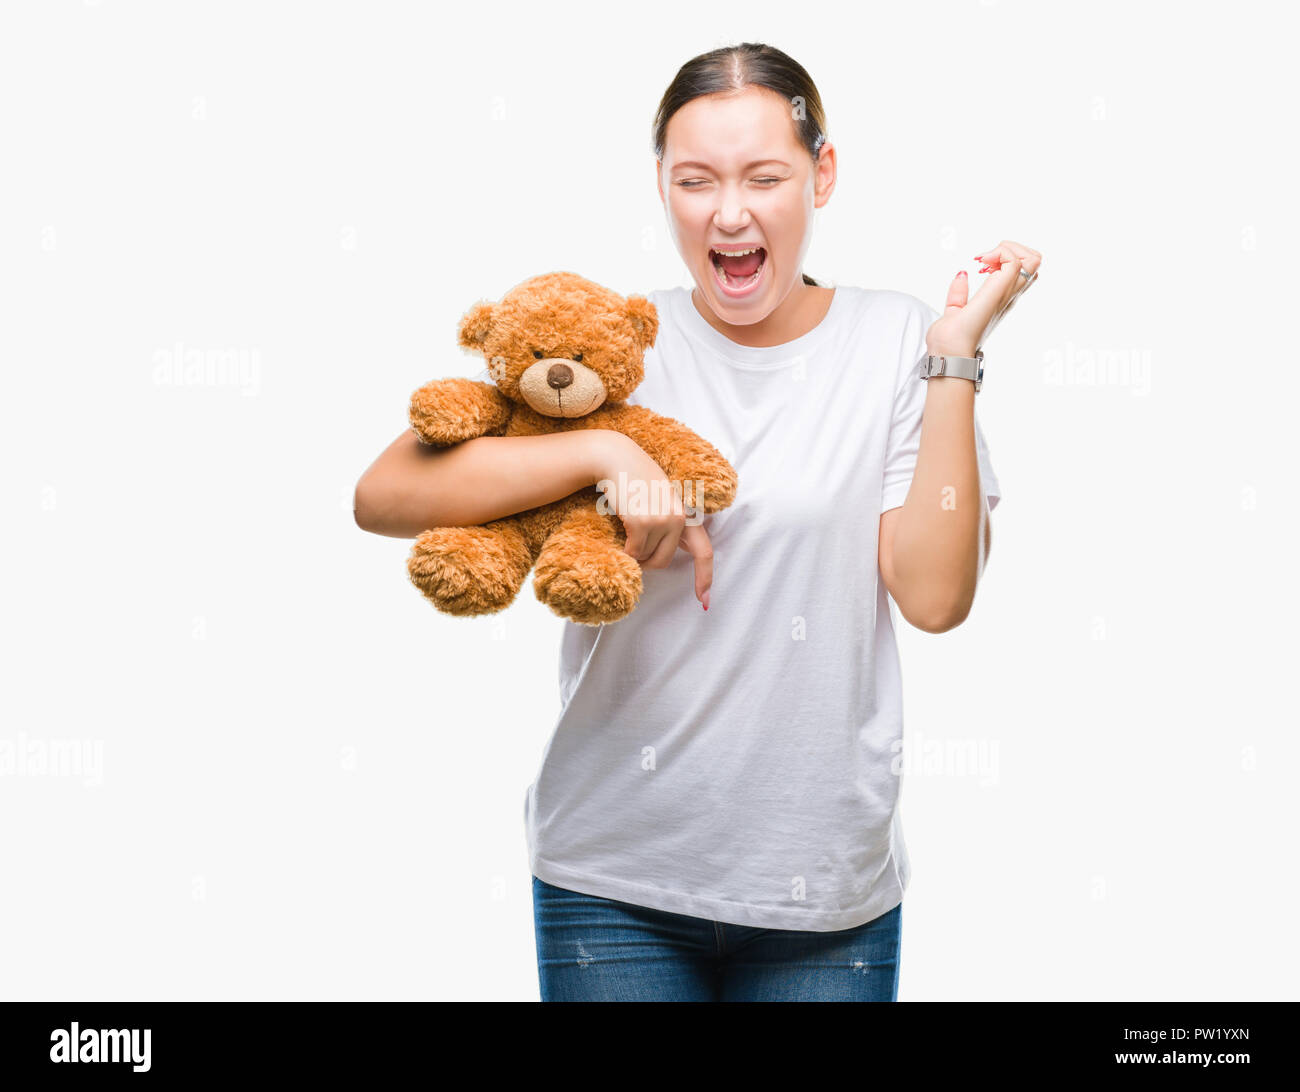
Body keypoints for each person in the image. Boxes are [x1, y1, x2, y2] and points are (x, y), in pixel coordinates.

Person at [353, 41, 1041, 1002]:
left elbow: (933, 597)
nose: (730, 213)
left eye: (766, 177)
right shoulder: (613, 344)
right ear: (664, 187)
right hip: (612, 881)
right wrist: (604, 452)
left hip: (825, 896)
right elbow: (383, 494)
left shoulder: (895, 341)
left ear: (822, 174)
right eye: (695, 180)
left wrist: (954, 359)